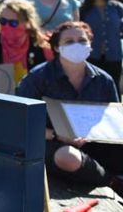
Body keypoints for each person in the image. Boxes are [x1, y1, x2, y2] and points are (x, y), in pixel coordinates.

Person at [16, 21, 123, 197]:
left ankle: (95, 172)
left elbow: (113, 120)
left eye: (82, 40)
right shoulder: (38, 78)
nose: (76, 45)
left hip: (94, 142)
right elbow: (21, 121)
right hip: (52, 142)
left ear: (90, 45)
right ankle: (110, 181)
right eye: (69, 41)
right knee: (68, 157)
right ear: (57, 47)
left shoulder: (104, 80)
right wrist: (57, 135)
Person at [0, 0, 52, 84]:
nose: (7, 26)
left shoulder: (45, 48)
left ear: (28, 23)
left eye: (13, 23)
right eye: (3, 21)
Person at [79, 0, 123, 91]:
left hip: (114, 55)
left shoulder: (117, 7)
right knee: (91, 87)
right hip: (91, 55)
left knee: (113, 86)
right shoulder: (84, 10)